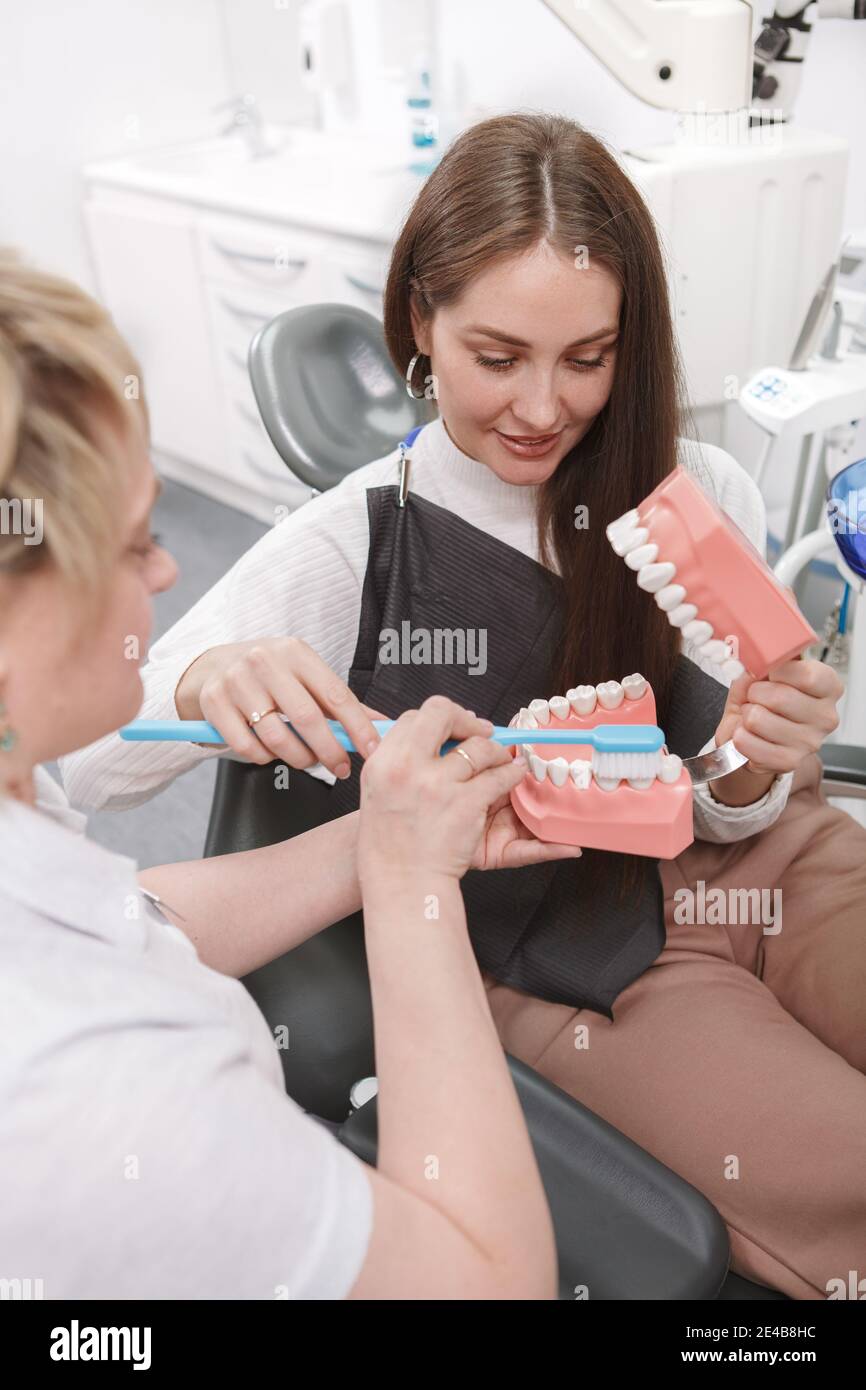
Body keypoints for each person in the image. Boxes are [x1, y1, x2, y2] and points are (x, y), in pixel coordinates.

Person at [59, 114, 864, 1300]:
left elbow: (735, 809)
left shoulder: (703, 488)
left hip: (768, 863)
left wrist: (750, 765)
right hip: (559, 959)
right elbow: (82, 767)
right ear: (420, 324)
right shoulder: (353, 543)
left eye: (585, 358)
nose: (542, 405)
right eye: (497, 355)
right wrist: (194, 675)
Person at [0, 247, 593, 1299]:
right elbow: (486, 1287)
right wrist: (413, 894)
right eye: (137, 544)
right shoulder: (92, 1093)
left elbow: (127, 921)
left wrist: (388, 837)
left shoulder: (14, 787)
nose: (170, 567)